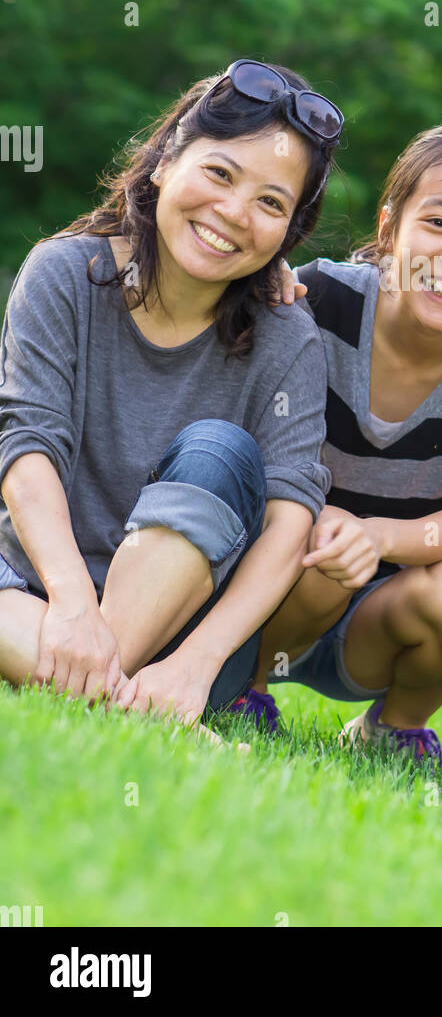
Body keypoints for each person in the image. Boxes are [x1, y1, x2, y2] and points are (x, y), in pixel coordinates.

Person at [0, 58, 341, 729]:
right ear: (164, 164)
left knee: (219, 450)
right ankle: (117, 699)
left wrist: (195, 666)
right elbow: (26, 444)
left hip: (186, 645)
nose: (234, 213)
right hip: (37, 588)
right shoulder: (64, 273)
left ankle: (91, 681)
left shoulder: (289, 335)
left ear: (288, 236)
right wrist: (71, 605)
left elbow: (290, 520)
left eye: (271, 203)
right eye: (219, 173)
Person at [230, 121, 442, 761]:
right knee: (319, 538)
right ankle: (245, 685)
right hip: (266, 591)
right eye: (438, 222)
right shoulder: (318, 297)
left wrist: (373, 535)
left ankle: (392, 726)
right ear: (389, 229)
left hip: (378, 620)